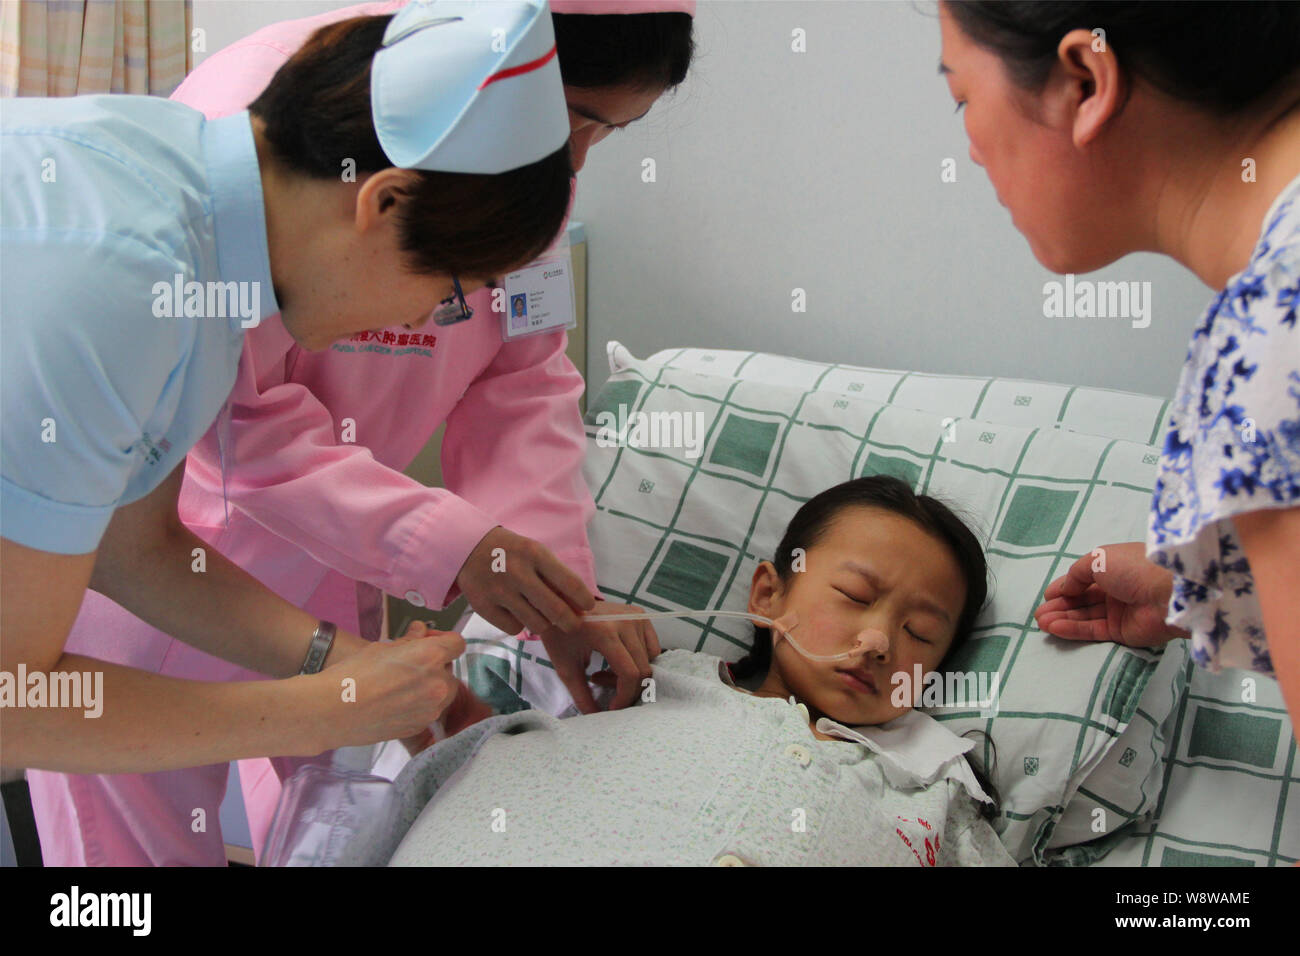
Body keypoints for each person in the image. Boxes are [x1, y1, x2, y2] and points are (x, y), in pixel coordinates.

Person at [27, 0, 698, 866]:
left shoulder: (201, 252)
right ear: (381, 203)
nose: (444, 320)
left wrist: (359, 659)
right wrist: (330, 699)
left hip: (206, 568)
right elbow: (22, 697)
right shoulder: (126, 270)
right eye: (449, 286)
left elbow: (132, 552)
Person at [336, 476, 1014, 866]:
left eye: (919, 633)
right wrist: (451, 709)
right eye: (856, 597)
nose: (876, 642)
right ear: (768, 595)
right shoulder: (645, 682)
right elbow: (527, 773)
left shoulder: (933, 793)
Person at [933, 3, 1300, 723]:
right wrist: (1197, 589)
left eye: (962, 100)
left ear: (1084, 82)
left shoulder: (1269, 343)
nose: (972, 149)